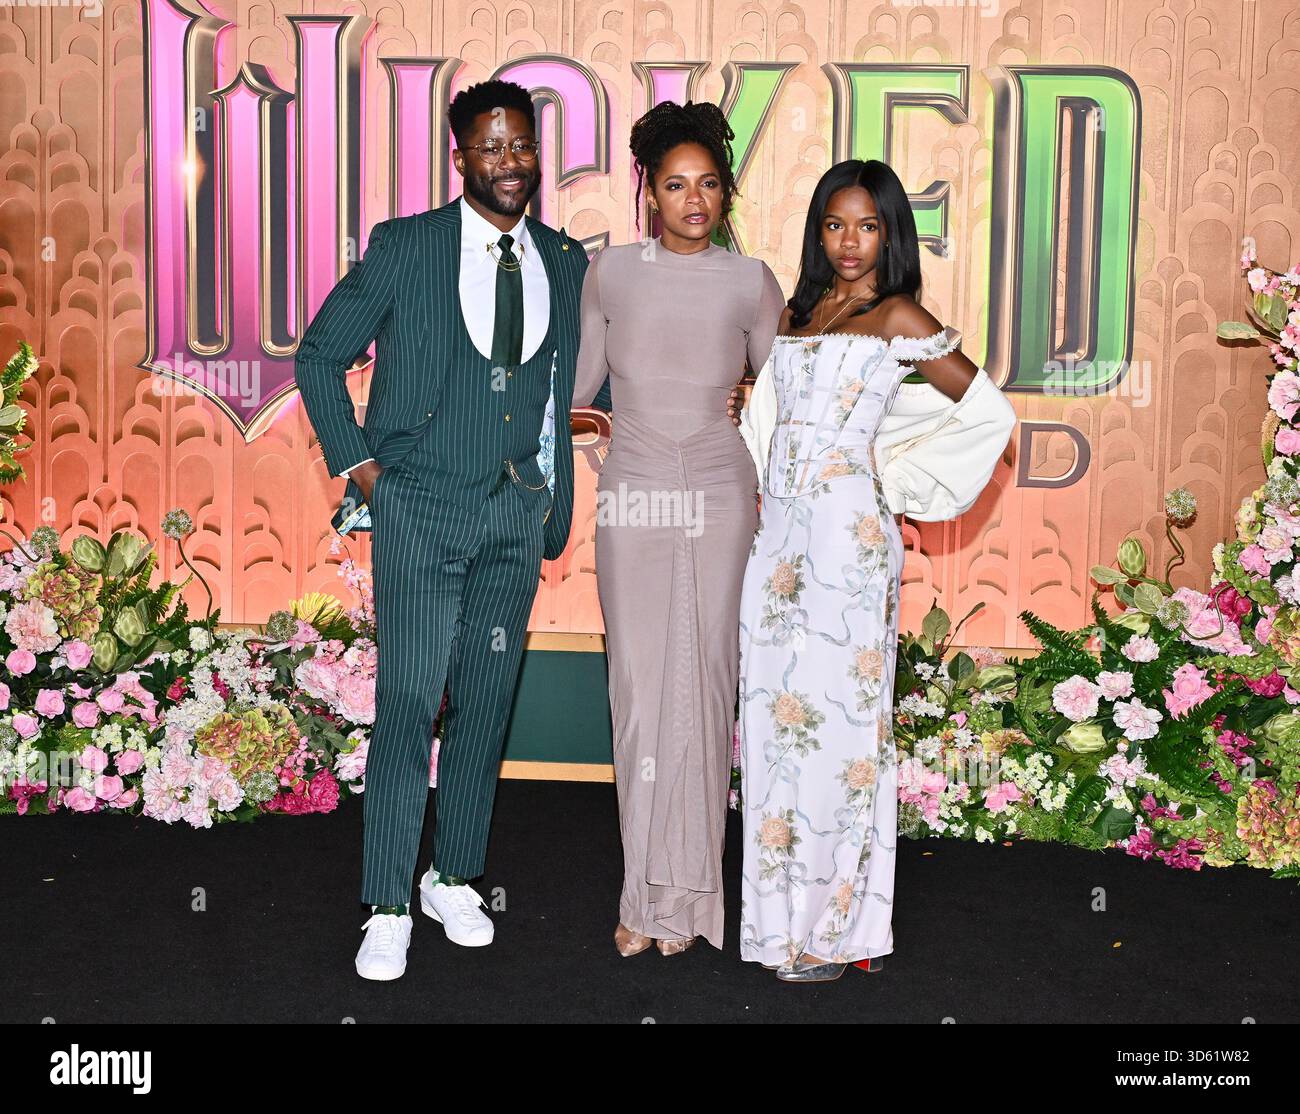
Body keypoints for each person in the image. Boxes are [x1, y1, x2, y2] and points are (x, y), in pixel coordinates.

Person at [294, 80, 591, 981]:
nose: (509, 163)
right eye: (490, 148)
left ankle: (453, 875)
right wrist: (369, 474)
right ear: (459, 156)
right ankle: (386, 901)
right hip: (418, 509)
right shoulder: (406, 247)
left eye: (522, 146)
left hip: (515, 508)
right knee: (409, 704)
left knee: (486, 704)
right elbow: (318, 356)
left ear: (539, 152)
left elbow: (587, 384)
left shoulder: (567, 259)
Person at [734, 159, 1016, 982]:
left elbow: (988, 413)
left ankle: (837, 928)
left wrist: (891, 478)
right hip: (778, 540)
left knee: (842, 739)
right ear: (817, 231)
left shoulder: (898, 315)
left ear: (891, 233)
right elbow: (779, 415)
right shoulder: (799, 311)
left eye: (867, 226)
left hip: (847, 545)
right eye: (834, 224)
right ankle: (778, 919)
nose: (849, 242)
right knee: (778, 729)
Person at [572, 101, 785, 957]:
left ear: (726, 192)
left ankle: (694, 905)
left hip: (721, 488)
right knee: (637, 688)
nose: (692, 199)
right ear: (648, 193)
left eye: (707, 184)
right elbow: (581, 392)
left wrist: (750, 405)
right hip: (635, 490)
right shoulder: (610, 273)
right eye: (674, 185)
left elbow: (789, 400)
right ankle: (642, 899)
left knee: (705, 686)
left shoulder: (752, 280)